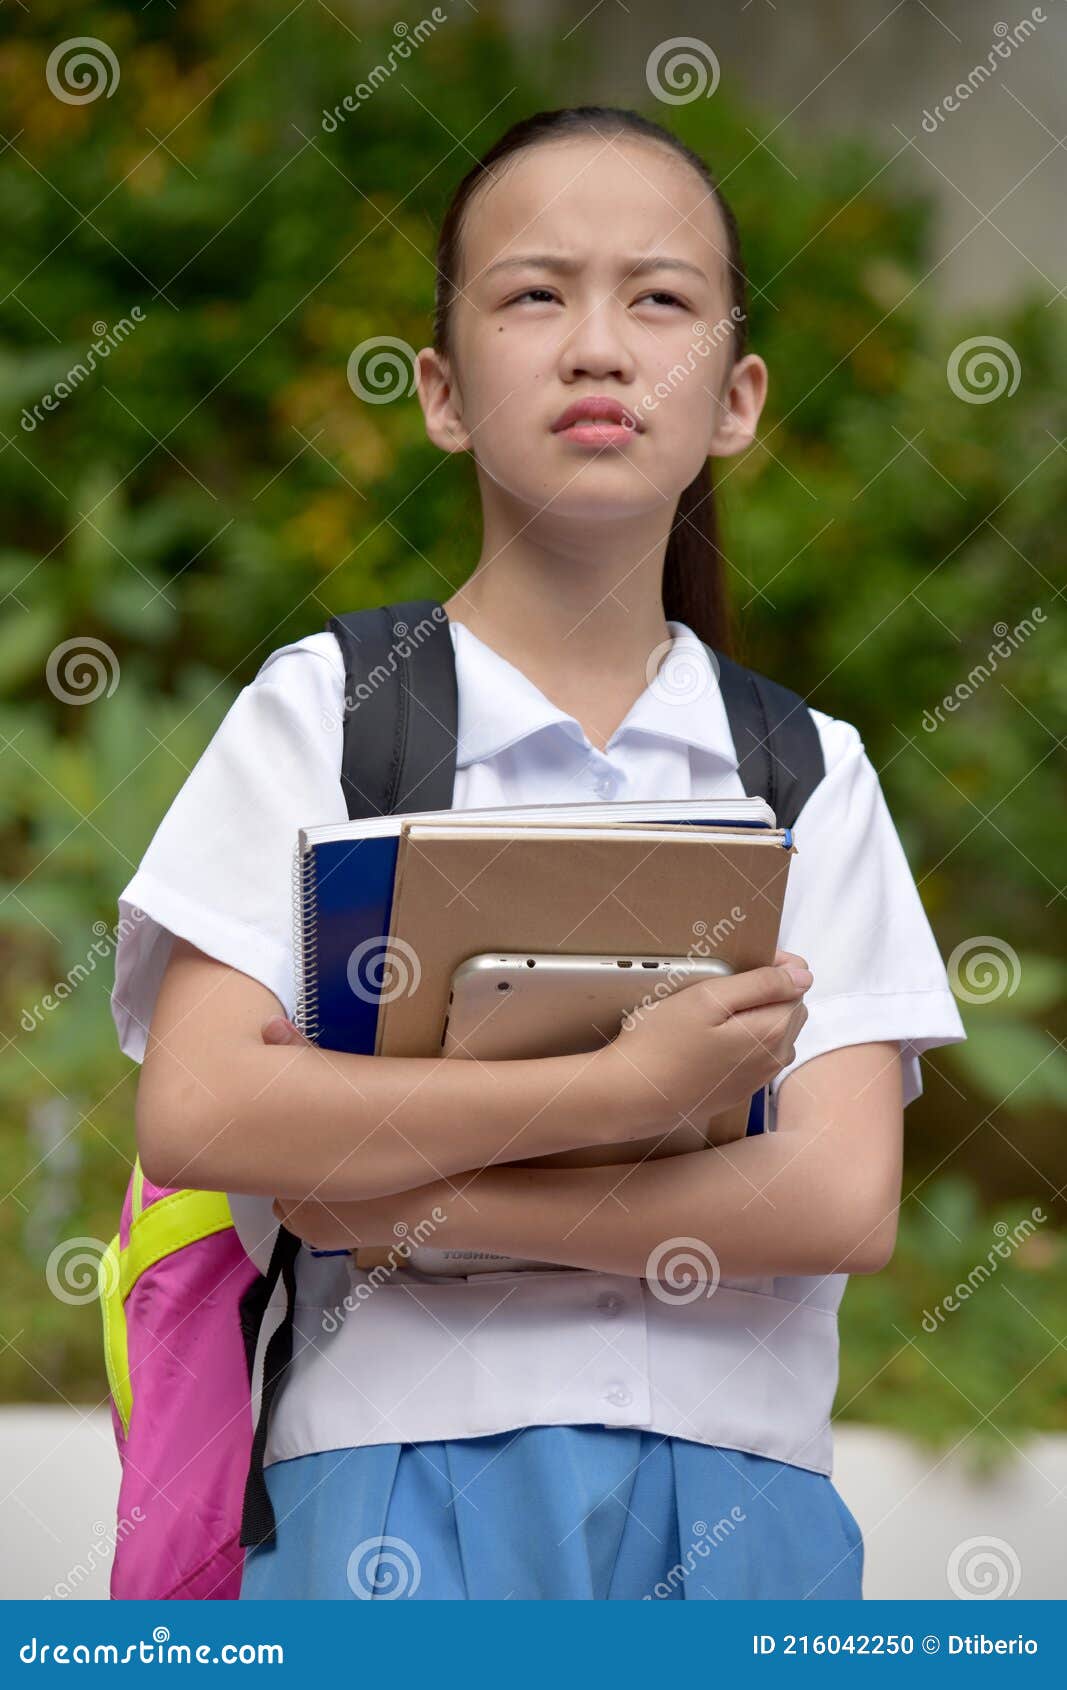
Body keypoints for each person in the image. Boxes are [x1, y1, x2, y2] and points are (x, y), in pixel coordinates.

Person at [111, 106, 966, 1600]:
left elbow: (840, 1197)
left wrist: (411, 1199)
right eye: (533, 293)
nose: (598, 346)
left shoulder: (809, 772)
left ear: (739, 398)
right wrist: (618, 1093)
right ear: (441, 392)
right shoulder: (327, 711)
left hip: (739, 1490)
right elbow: (199, 1104)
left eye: (661, 298)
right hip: (388, 1477)